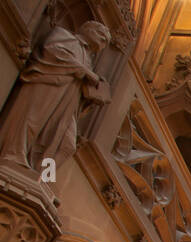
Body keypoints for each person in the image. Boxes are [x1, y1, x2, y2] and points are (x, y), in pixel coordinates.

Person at [0, 22, 113, 172]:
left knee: (67, 146)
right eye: (102, 36)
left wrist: (94, 94)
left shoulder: (88, 60)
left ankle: (43, 177)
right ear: (87, 29)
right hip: (48, 86)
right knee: (31, 122)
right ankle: (14, 155)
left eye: (106, 41)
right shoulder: (64, 35)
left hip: (67, 105)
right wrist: (85, 72)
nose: (103, 43)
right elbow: (50, 51)